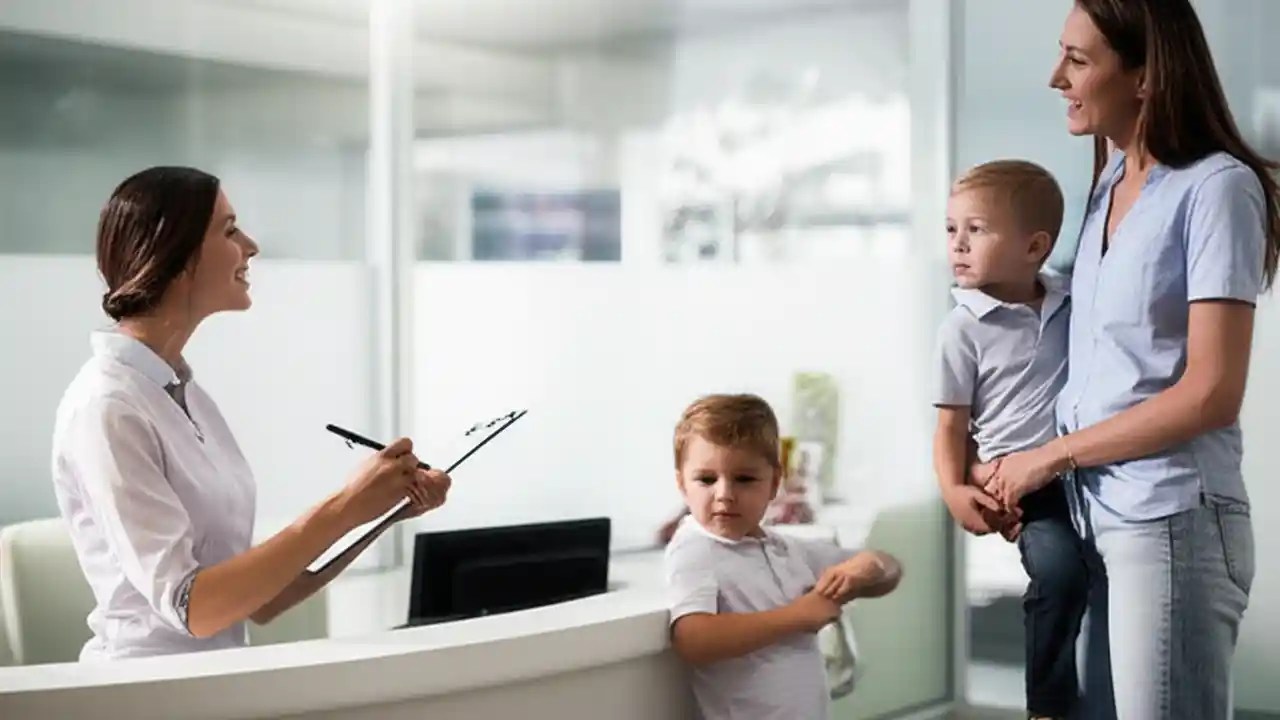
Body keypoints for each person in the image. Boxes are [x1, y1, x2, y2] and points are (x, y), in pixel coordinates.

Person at [981, 2, 1279, 716]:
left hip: (1169, 518)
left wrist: (1051, 457)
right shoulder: (1109, 183)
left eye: (1078, 60)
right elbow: (1096, 364)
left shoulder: (1217, 189)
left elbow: (1211, 393)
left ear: (1145, 76)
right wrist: (1000, 462)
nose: (1056, 76)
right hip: (1095, 516)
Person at [51, 166, 452, 660]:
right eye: (229, 229)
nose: (251, 245)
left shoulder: (183, 393)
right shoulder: (108, 408)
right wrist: (344, 504)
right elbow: (195, 608)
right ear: (178, 256)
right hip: (145, 694)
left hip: (221, 683)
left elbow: (263, 600)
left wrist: (386, 509)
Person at [935, 160, 1088, 720]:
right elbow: (950, 425)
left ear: (1034, 247)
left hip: (1088, 475)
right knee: (1060, 575)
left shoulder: (1073, 302)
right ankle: (1047, 706)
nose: (958, 244)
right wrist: (956, 490)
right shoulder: (961, 329)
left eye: (976, 229)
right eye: (951, 229)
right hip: (1027, 491)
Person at [663, 393, 902, 720]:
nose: (724, 494)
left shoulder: (786, 549)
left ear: (774, 483)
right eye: (706, 479)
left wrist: (869, 568)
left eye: (744, 479)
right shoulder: (695, 547)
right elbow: (694, 640)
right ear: (681, 483)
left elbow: (889, 569)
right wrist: (798, 616)